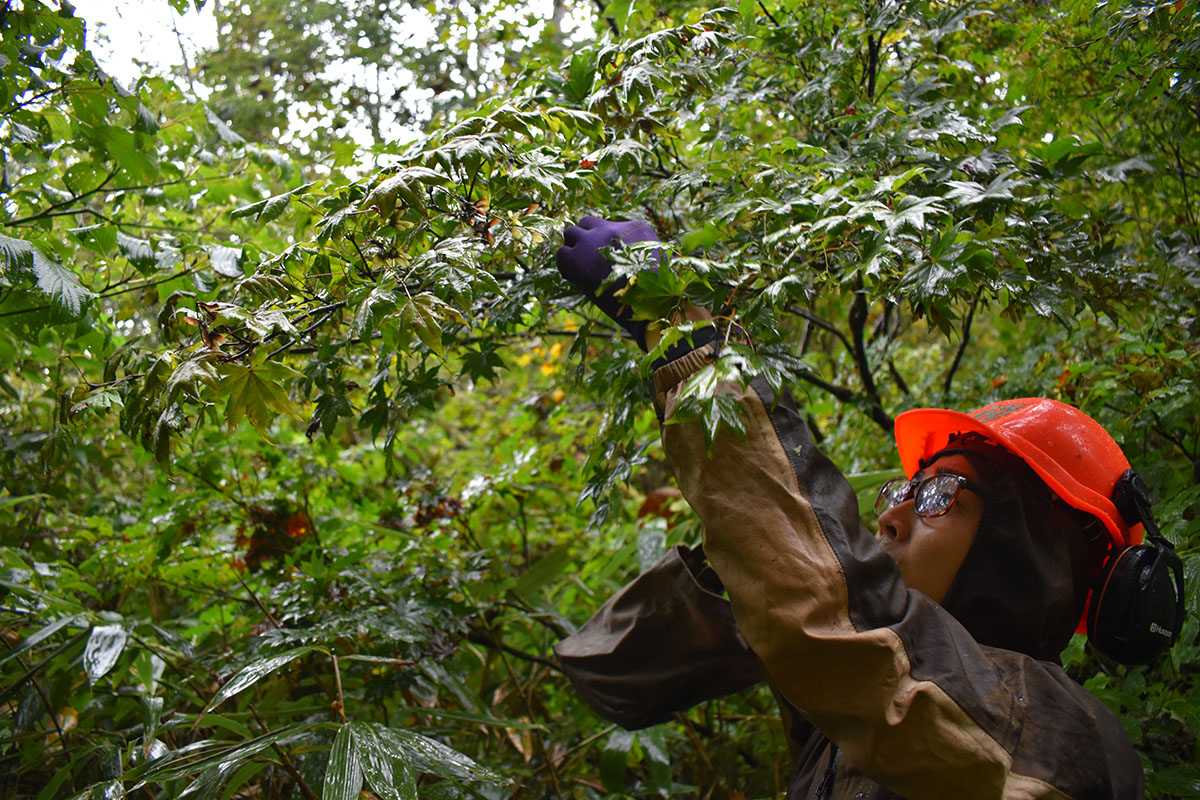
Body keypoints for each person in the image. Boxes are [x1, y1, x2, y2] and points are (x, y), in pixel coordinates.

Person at [551, 217, 1184, 799]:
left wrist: (684, 332)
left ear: (1024, 550)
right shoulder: (841, 711)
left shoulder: (1070, 734)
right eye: (904, 489)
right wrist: (753, 566)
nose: (891, 517)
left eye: (940, 497)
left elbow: (846, 629)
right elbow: (617, 671)